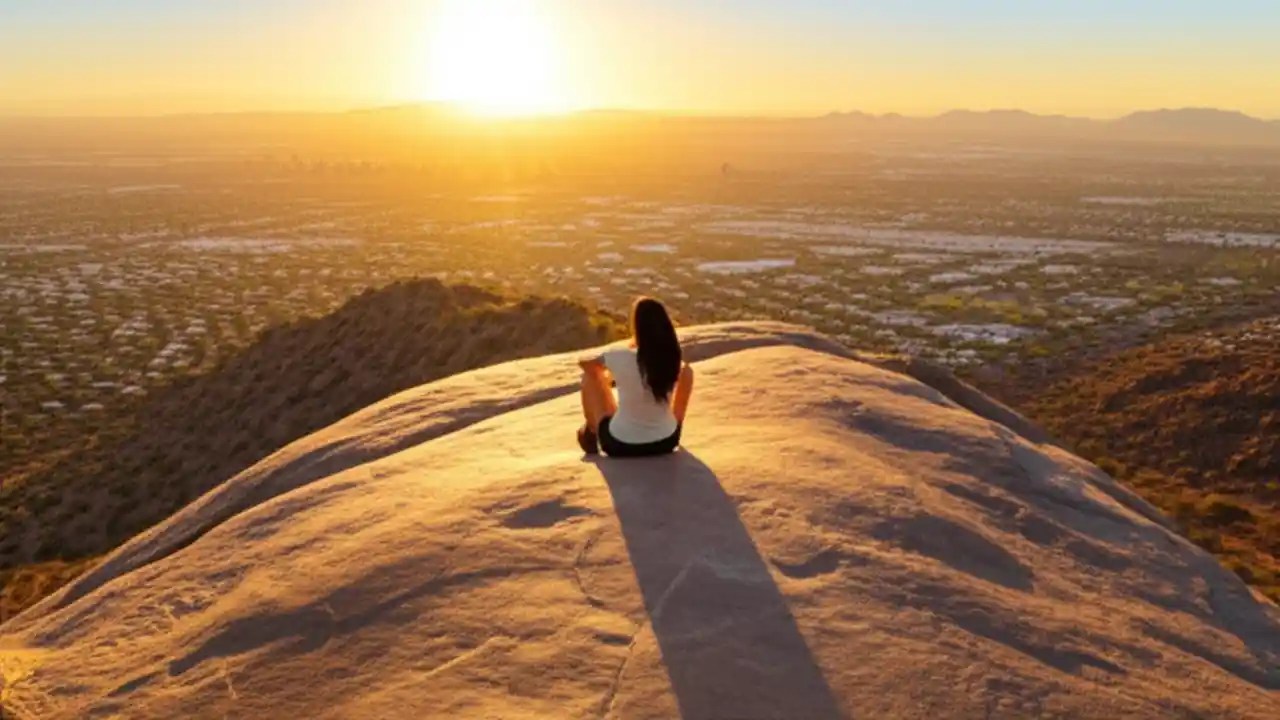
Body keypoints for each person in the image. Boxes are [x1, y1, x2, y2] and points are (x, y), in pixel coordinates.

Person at [577, 297, 694, 457]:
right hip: (666, 442)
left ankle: (590, 432)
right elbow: (678, 418)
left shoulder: (620, 356)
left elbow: (586, 365)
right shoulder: (678, 365)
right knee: (686, 374)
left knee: (590, 377)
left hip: (619, 444)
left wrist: (611, 376)